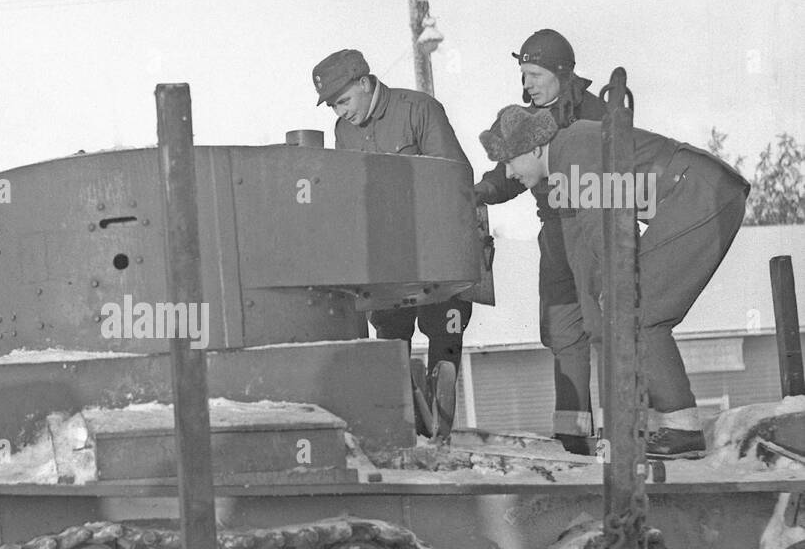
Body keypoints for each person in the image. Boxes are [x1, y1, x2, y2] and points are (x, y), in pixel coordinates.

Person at [479, 104, 749, 458]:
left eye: (510, 161)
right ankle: (672, 427)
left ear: (534, 148)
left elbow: (605, 229)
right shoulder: (564, 161)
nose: (509, 173)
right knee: (632, 310)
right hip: (700, 193)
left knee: (638, 309)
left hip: (700, 193)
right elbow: (589, 246)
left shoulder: (574, 156)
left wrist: (614, 290)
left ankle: (682, 431)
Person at [312, 48, 474, 437]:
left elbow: (452, 178)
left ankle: (440, 427)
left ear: (366, 84)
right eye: (334, 106)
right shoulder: (343, 130)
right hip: (385, 258)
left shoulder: (419, 109)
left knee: (444, 334)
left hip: (434, 246)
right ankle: (405, 426)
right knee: (390, 339)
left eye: (345, 100)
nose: (341, 112)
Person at [473, 29, 604, 456]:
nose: (527, 83)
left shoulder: (597, 111)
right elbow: (507, 173)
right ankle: (573, 436)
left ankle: (631, 428)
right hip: (554, 233)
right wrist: (481, 191)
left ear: (561, 71)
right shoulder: (525, 120)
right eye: (523, 75)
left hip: (594, 226)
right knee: (563, 331)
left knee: (608, 325)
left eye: (534, 74)